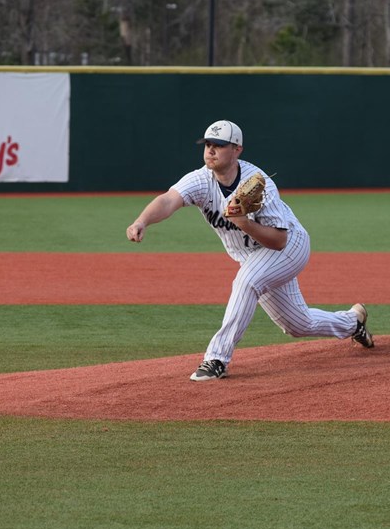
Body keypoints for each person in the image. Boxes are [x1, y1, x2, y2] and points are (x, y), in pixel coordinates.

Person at [126, 119, 374, 381]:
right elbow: (168, 200)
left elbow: (278, 241)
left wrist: (242, 221)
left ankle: (216, 359)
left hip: (290, 247)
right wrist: (142, 221)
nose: (210, 150)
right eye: (208, 144)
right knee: (297, 324)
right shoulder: (200, 179)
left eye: (219, 145)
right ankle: (352, 322)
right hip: (254, 257)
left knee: (246, 281)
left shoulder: (259, 183)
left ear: (237, 150)